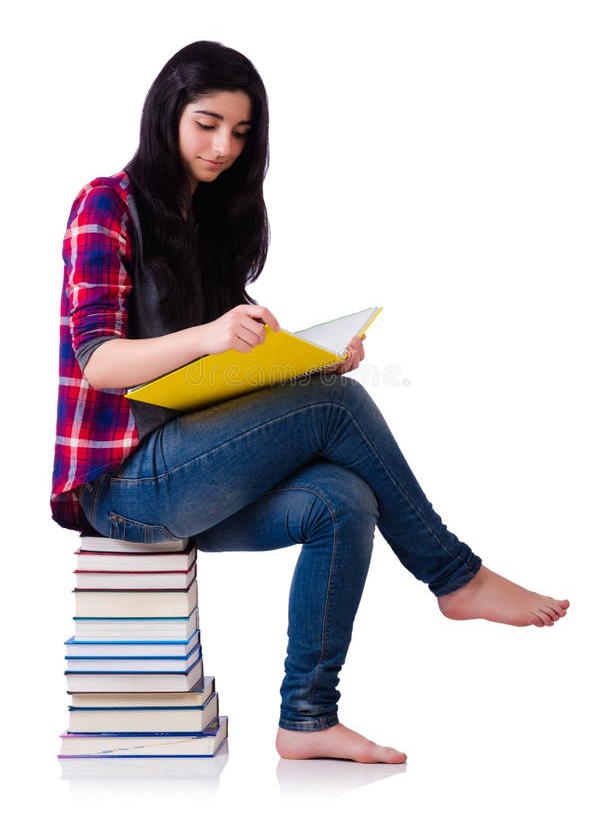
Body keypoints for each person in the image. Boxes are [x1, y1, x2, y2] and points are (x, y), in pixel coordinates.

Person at [51, 40, 569, 765]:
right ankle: (456, 577)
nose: (222, 147)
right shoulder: (106, 203)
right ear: (168, 112)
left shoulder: (204, 223)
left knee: (343, 497)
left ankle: (307, 718)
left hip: (194, 468)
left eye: (239, 133)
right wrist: (215, 337)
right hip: (127, 485)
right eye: (206, 124)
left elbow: (235, 374)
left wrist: (310, 361)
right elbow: (100, 362)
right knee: (340, 406)